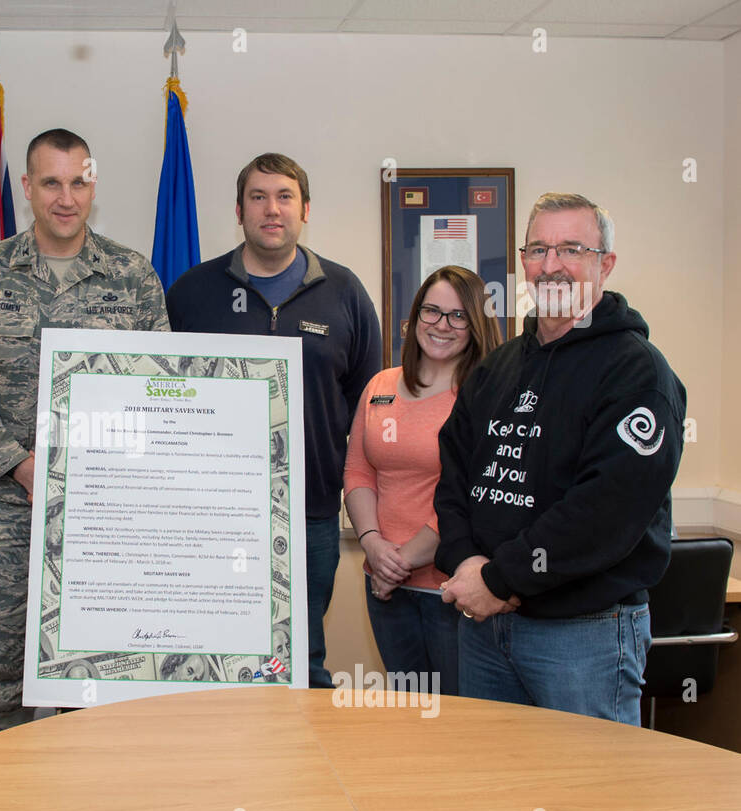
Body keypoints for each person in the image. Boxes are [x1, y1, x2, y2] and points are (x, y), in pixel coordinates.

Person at [0, 128, 169, 736]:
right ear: (27, 188)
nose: (67, 198)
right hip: (4, 508)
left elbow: (160, 389)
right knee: (1, 674)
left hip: (105, 513)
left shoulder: (132, 277)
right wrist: (20, 463)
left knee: (94, 671)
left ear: (94, 184)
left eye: (79, 181)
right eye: (52, 183)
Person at [435, 193, 686, 726]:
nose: (550, 266)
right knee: (494, 791)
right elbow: (454, 471)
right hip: (483, 628)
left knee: (588, 799)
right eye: (538, 249)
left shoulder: (637, 373)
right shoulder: (497, 367)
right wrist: (465, 563)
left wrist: (501, 580)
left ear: (605, 264)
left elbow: (605, 510)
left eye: (571, 248)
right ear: (523, 261)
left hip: (583, 636)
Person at [166, 152, 381, 688]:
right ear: (238, 210)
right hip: (210, 517)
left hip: (307, 514)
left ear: (305, 209)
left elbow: (366, 404)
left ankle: (302, 771)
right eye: (258, 197)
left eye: (285, 196)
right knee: (207, 657)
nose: (272, 209)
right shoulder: (192, 292)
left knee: (300, 660)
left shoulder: (345, 293)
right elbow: (162, 396)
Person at [343, 266, 501, 694]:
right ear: (414, 318)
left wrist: (404, 560)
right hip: (384, 583)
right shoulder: (381, 385)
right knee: (411, 714)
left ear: (476, 325)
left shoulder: (486, 395)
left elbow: (474, 494)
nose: (441, 325)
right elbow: (358, 470)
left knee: (457, 719)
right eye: (431, 311)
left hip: (450, 587)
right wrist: (374, 545)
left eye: (457, 316)